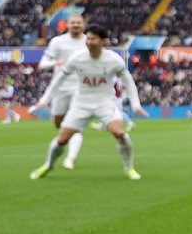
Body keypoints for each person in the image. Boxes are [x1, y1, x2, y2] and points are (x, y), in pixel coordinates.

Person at [28, 24, 146, 180]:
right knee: (62, 139)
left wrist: (135, 104)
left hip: (105, 102)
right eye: (88, 38)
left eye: (93, 39)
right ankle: (48, 165)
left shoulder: (114, 60)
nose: (89, 42)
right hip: (81, 103)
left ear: (103, 41)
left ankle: (129, 168)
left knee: (120, 133)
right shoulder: (77, 58)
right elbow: (58, 79)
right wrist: (44, 100)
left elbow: (129, 82)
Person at [37, 12, 89, 165]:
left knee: (75, 125)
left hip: (80, 88)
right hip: (60, 88)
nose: (76, 25)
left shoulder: (89, 41)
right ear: (67, 24)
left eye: (79, 22)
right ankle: (66, 140)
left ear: (83, 24)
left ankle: (70, 158)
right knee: (58, 124)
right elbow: (42, 64)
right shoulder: (57, 42)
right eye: (73, 22)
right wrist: (55, 63)